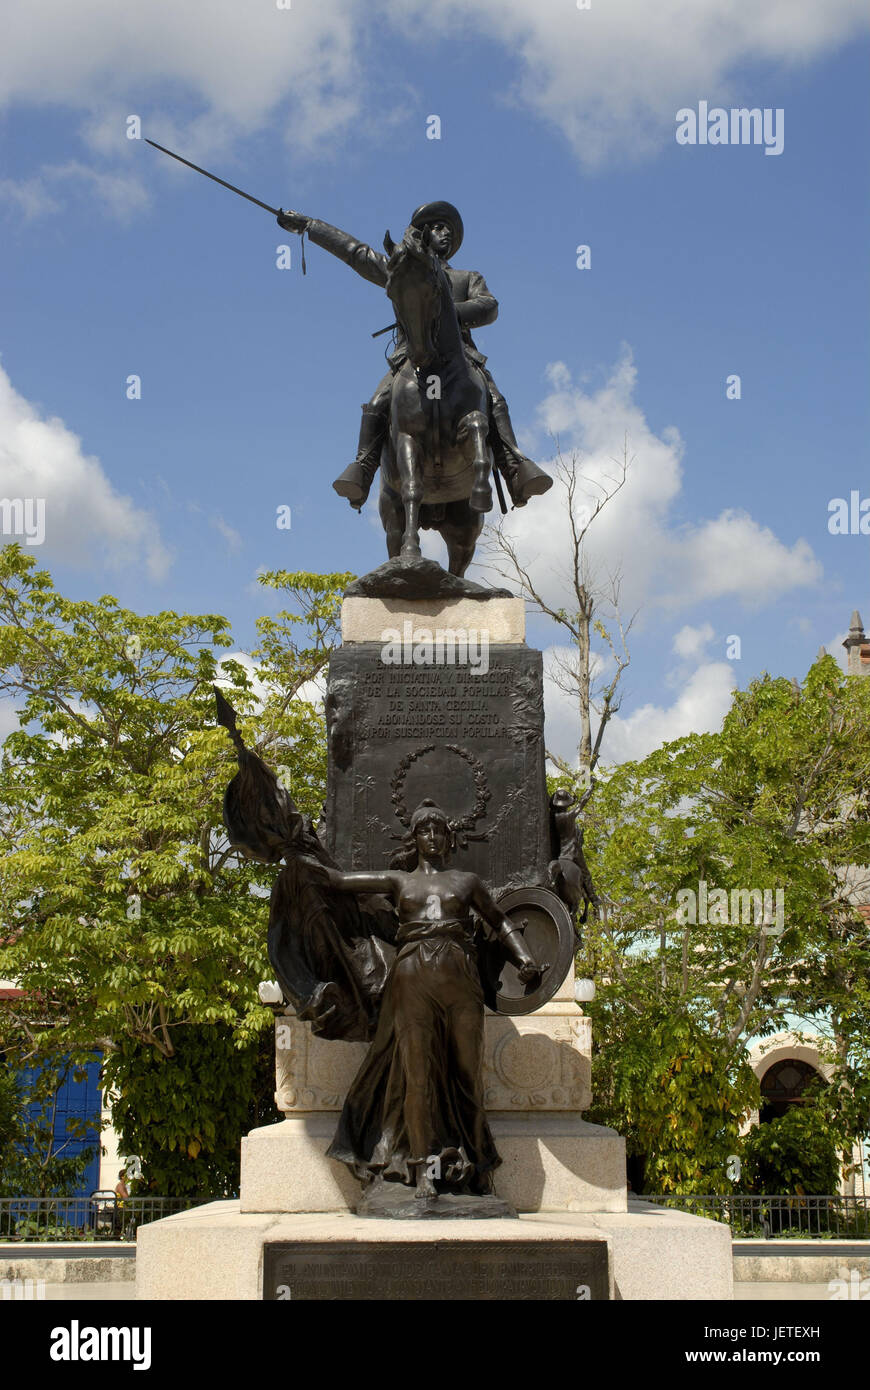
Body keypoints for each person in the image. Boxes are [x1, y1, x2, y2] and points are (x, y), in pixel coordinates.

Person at [302, 798, 545, 1200]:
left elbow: (499, 921)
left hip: (460, 979)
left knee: (468, 1075)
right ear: (413, 839)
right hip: (413, 977)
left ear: (449, 837)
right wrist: (302, 854)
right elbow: (341, 883)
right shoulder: (401, 882)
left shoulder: (466, 882)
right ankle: (423, 1170)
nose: (431, 836)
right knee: (417, 1077)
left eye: (437, 830)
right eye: (423, 830)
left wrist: (524, 958)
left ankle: (478, 1163)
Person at [276, 200, 553, 512]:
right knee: (379, 401)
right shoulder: (402, 269)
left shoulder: (466, 277)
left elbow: (489, 306)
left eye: (449, 230)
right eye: (437, 228)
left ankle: (514, 466)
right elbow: (357, 254)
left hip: (460, 356)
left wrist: (445, 312)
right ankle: (363, 467)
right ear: (423, 235)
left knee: (494, 399)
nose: (445, 233)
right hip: (410, 356)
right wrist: (310, 225)